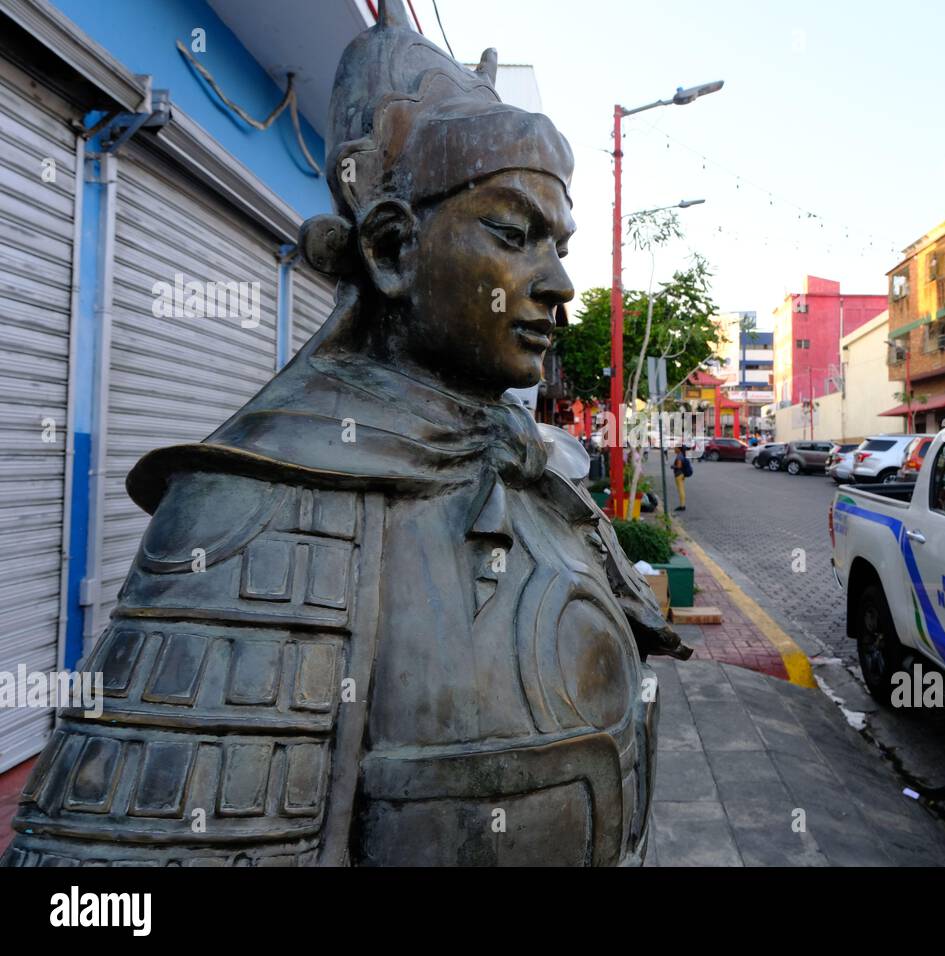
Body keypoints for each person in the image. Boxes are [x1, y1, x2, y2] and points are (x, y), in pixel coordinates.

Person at [3, 0, 688, 869]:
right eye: (515, 234)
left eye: (558, 242)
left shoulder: (532, 475)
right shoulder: (251, 511)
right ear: (395, 250)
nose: (557, 282)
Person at [672, 444, 692, 511]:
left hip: (679, 475)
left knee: (681, 490)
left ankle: (682, 506)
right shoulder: (681, 455)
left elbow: (679, 466)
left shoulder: (679, 456)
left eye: (675, 448)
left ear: (678, 449)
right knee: (681, 490)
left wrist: (673, 466)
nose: (674, 449)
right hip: (681, 475)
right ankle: (682, 505)